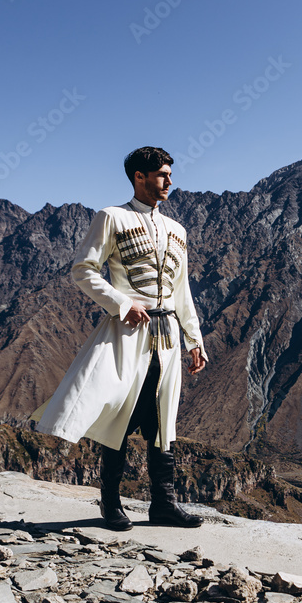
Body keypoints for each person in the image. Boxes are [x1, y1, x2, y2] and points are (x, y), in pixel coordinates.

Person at [31, 146, 208, 530]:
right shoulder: (111, 217)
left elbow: (182, 292)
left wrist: (194, 341)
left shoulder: (177, 230)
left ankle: (163, 505)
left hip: (167, 337)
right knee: (119, 416)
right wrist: (122, 303)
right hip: (127, 335)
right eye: (162, 174)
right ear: (139, 177)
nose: (169, 181)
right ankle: (111, 504)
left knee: (163, 421)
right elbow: (83, 269)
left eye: (170, 174)